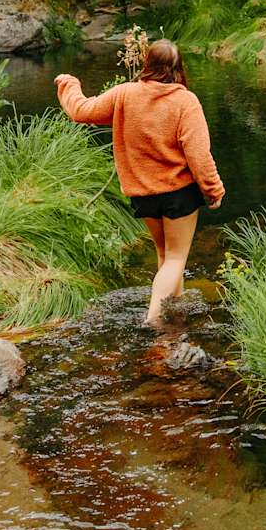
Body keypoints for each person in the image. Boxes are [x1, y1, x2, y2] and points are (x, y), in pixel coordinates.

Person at [54, 39, 224, 327]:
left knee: (165, 256)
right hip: (178, 194)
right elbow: (198, 154)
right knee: (176, 259)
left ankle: (174, 319)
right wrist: (213, 189)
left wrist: (69, 84)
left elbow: (81, 111)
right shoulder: (185, 101)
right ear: (178, 68)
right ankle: (154, 319)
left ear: (148, 64)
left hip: (143, 196)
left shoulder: (125, 94)